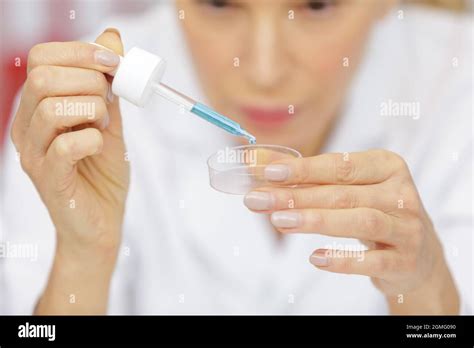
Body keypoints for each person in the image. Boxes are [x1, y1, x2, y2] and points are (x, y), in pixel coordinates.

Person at [0, 0, 472, 315]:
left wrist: (426, 285)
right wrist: (83, 256)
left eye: (317, 4)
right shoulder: (76, 103)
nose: (264, 71)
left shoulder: (458, 82)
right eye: (220, 2)